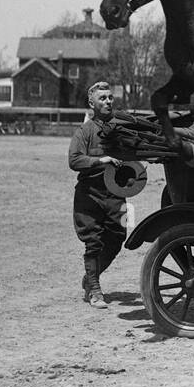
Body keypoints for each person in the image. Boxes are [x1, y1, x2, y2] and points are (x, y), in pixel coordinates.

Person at [68, 81, 127, 308]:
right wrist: (100, 160)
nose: (108, 102)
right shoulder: (84, 131)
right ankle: (94, 290)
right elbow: (74, 160)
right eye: (102, 98)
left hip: (116, 195)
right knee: (93, 243)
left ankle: (90, 278)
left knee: (118, 237)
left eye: (110, 97)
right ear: (91, 103)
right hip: (88, 195)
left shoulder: (121, 129)